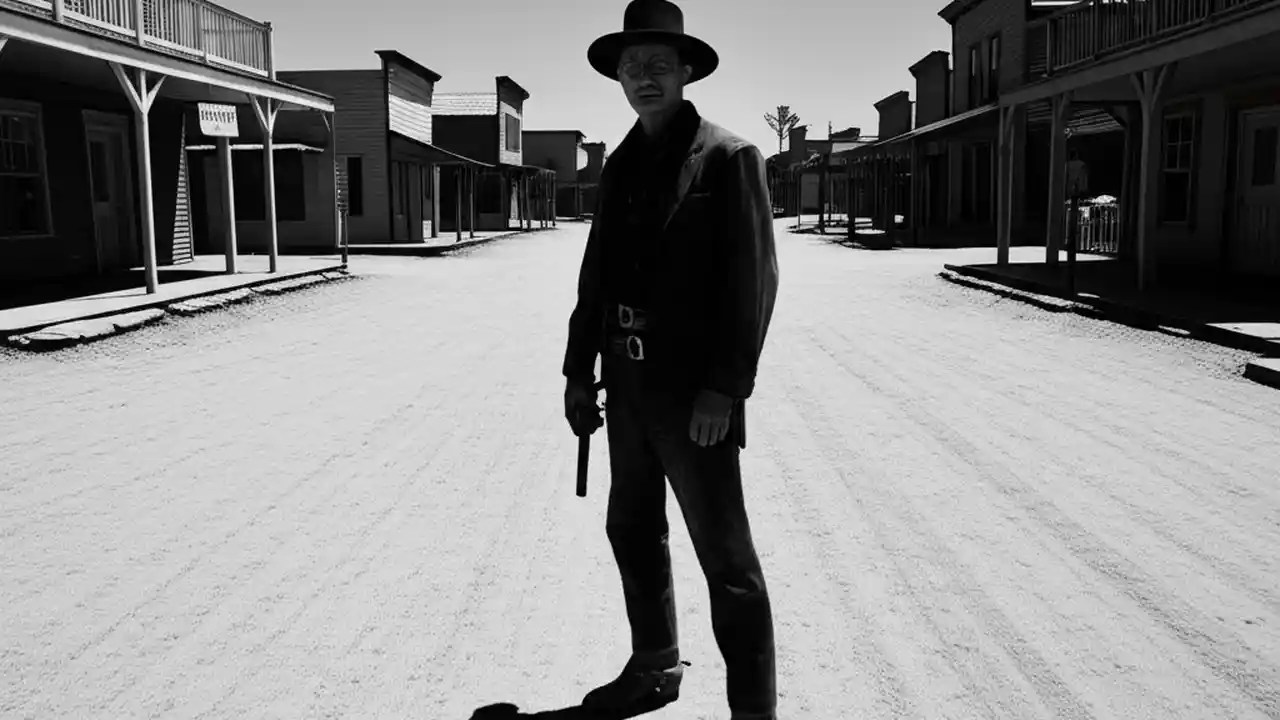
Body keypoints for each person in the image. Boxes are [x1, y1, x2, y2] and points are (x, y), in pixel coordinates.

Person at [561, 1, 780, 718]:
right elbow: (597, 275)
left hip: (694, 397)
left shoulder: (728, 157)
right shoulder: (621, 162)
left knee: (727, 559)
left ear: (687, 71)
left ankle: (754, 710)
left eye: (658, 64)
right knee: (631, 527)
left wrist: (726, 389)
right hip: (625, 385)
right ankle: (654, 666)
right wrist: (577, 371)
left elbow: (753, 283)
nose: (643, 78)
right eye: (631, 67)